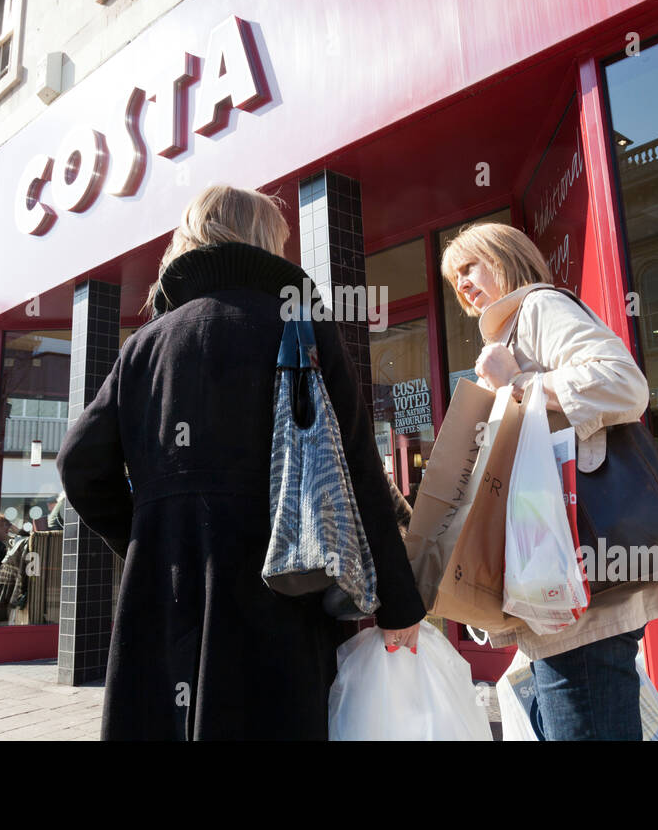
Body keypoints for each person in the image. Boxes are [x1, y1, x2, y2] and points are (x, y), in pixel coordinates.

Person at [57, 184, 425, 739]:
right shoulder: (302, 327)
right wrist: (398, 603)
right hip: (283, 586)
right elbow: (356, 471)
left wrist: (147, 534)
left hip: (165, 590)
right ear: (268, 242)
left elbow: (78, 464)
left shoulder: (145, 345)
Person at [441, 221, 658, 740]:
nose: (461, 283)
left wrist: (518, 383)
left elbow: (624, 384)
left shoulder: (540, 307)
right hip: (561, 590)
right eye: (453, 276)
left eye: (468, 266)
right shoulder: (509, 334)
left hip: (579, 586)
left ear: (504, 257)